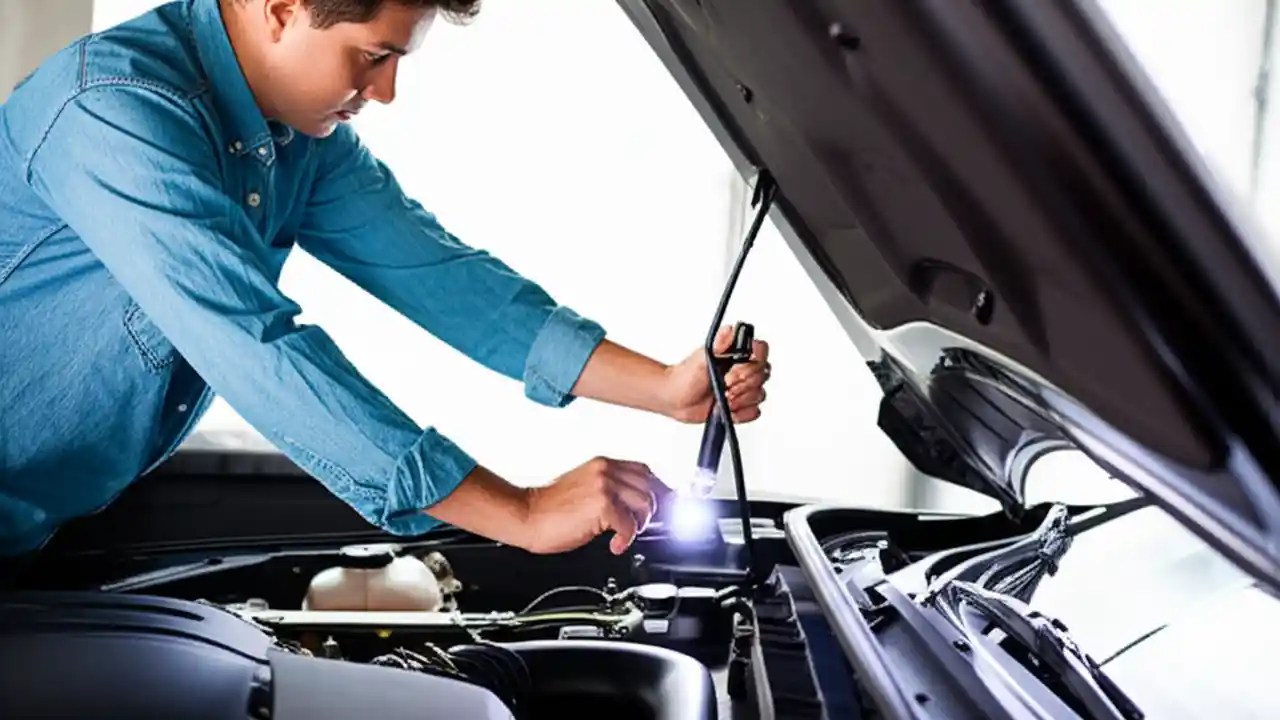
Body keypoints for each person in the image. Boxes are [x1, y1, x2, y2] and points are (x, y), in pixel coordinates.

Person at [0, 0, 772, 561]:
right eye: (374, 56)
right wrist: (521, 512)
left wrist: (666, 388)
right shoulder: (112, 113)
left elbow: (444, 277)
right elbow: (257, 348)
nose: (387, 91)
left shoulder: (295, 135)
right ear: (281, 9)